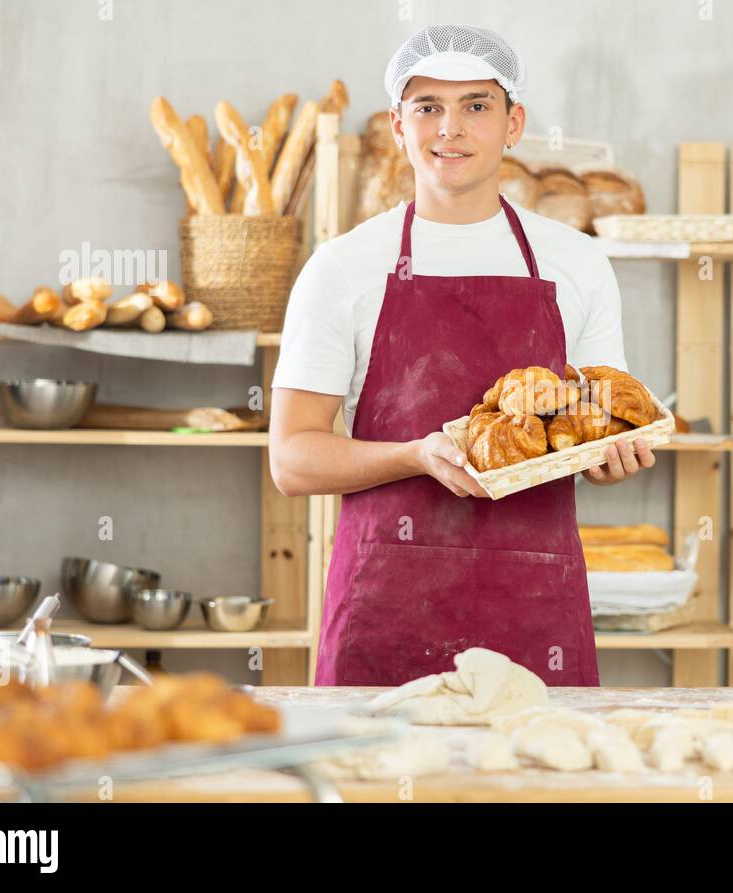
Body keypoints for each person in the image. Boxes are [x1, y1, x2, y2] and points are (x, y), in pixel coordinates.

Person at [268, 24, 656, 686]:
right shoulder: (341, 268)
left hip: (534, 614)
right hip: (385, 613)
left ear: (514, 124)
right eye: (428, 107)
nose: (450, 129)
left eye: (476, 105)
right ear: (398, 126)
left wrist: (612, 460)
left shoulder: (578, 263)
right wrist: (414, 455)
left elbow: (596, 424)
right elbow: (292, 459)